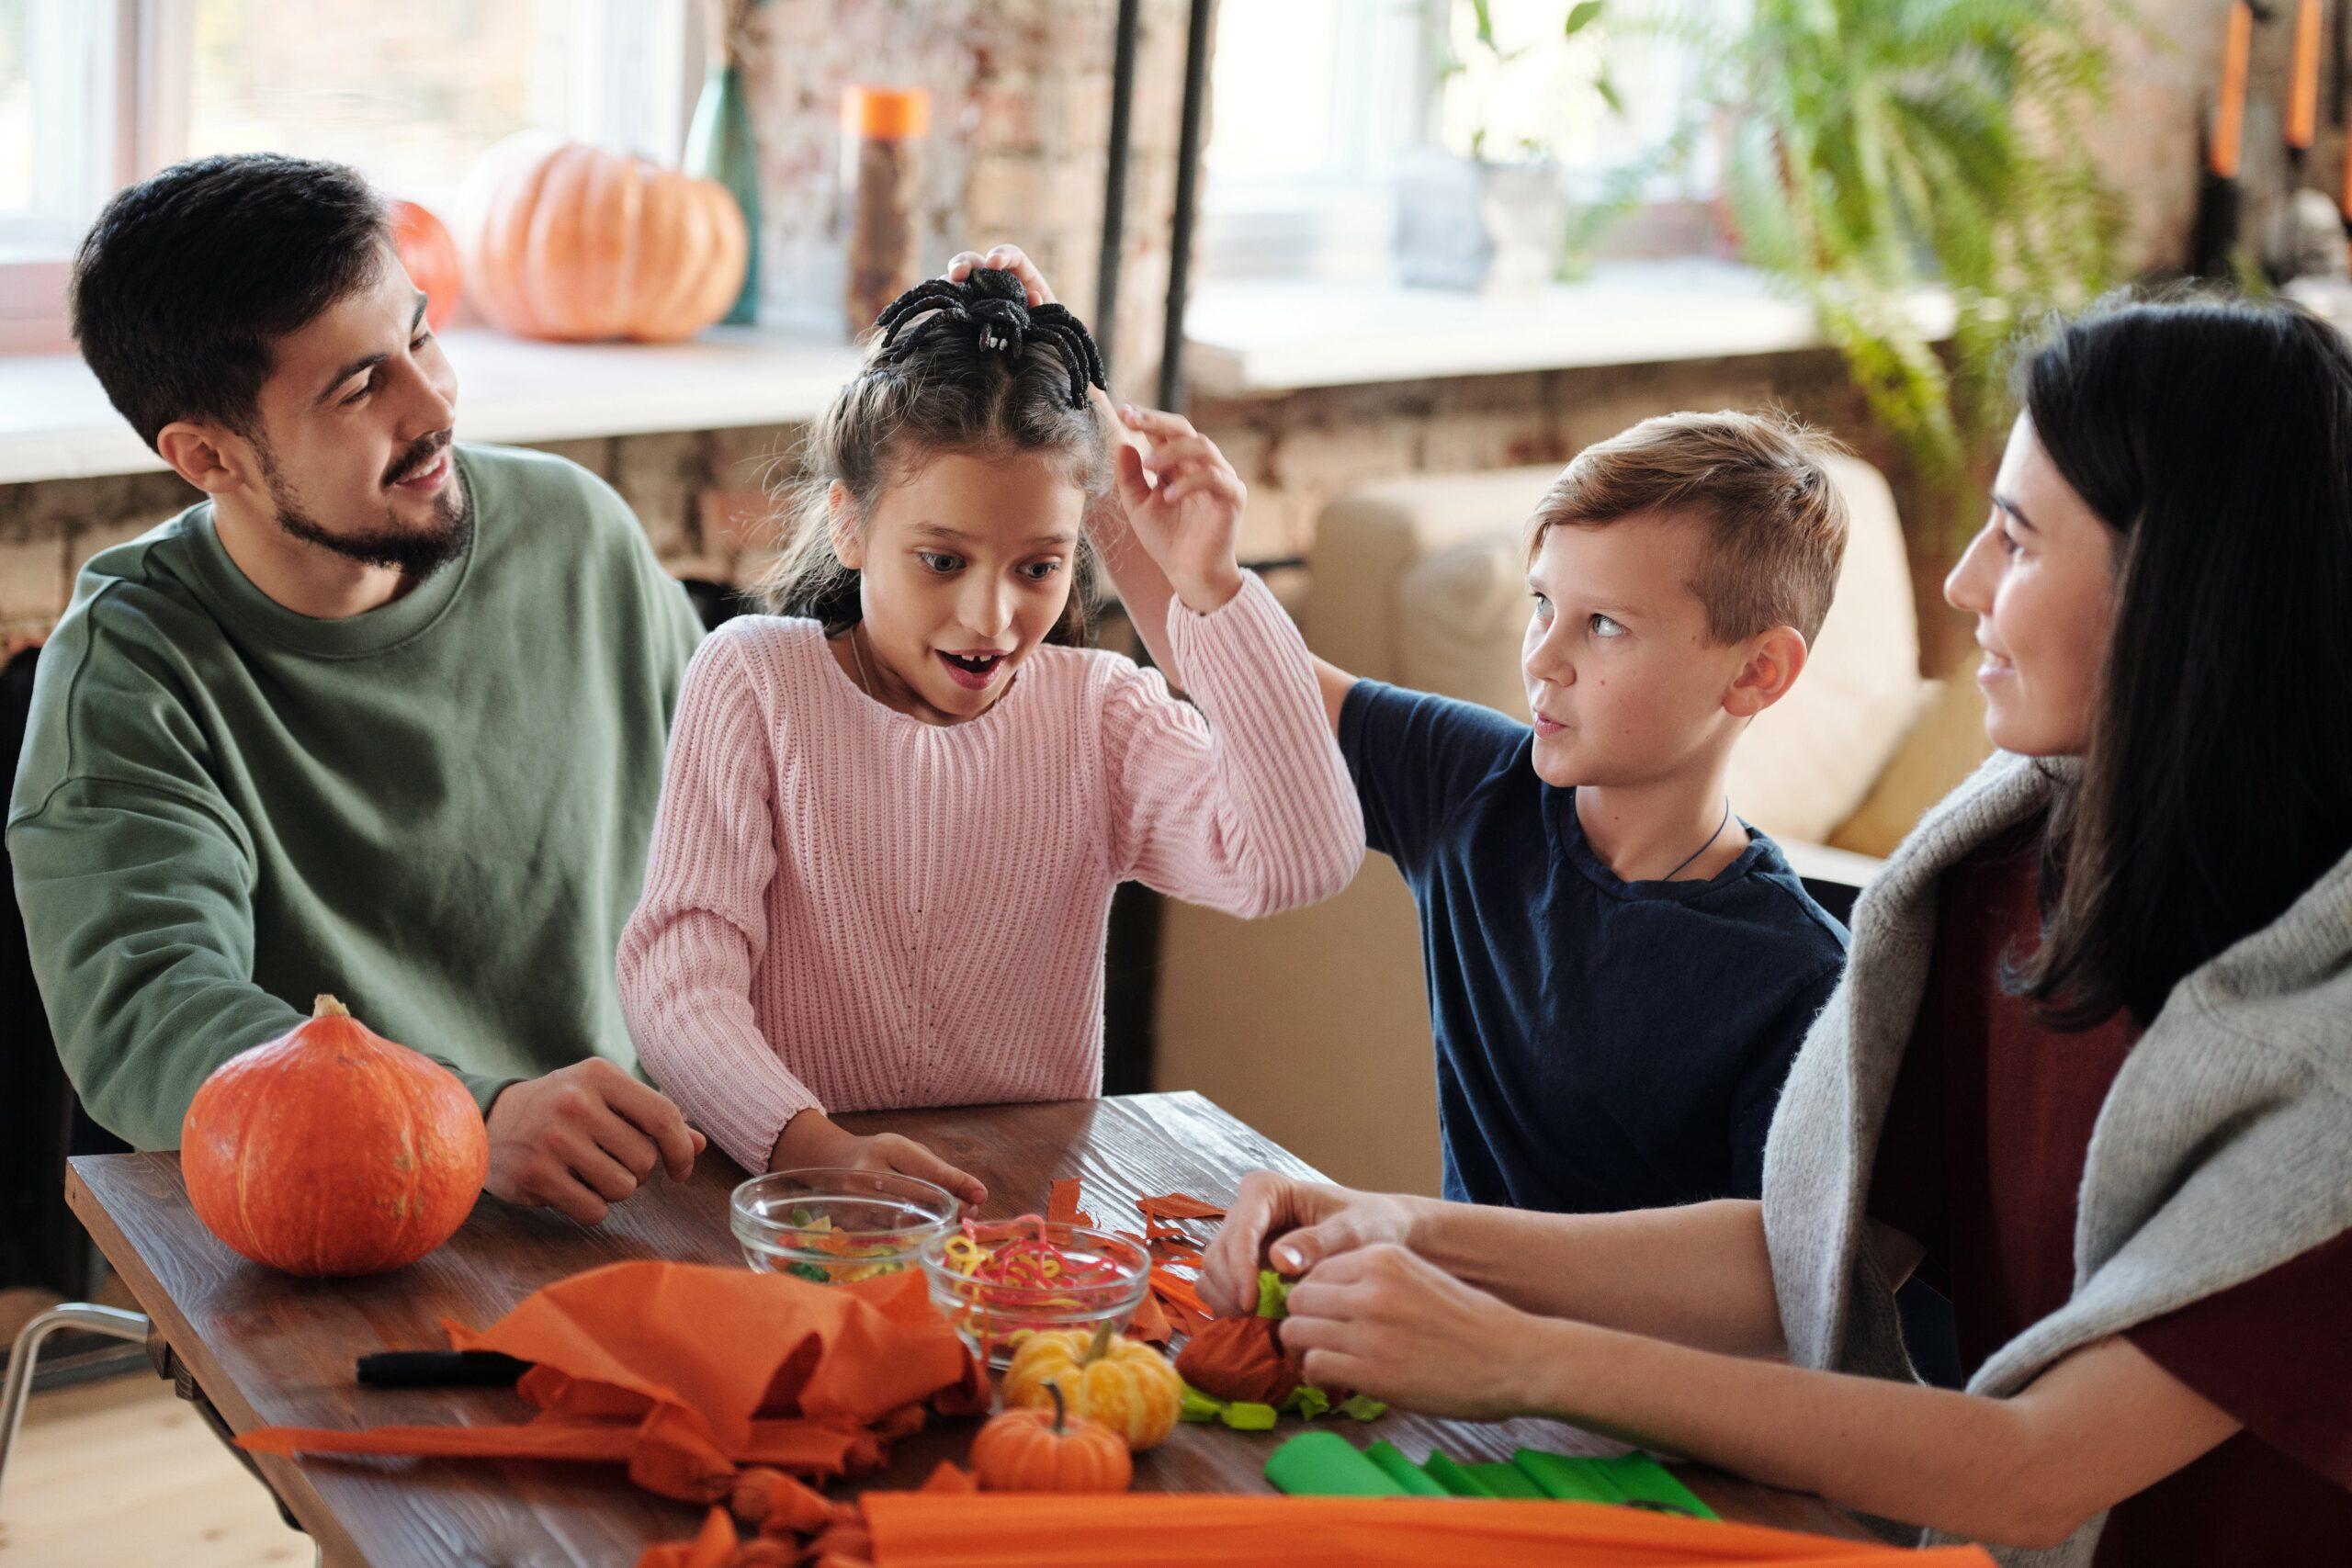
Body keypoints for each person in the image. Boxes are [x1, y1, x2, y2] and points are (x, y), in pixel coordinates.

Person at [1198, 294, 2352, 1564]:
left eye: (2016, 541)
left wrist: (1514, 1350)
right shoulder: (2009, 872)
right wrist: (1407, 1226)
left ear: (2183, 593)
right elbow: (1805, 1237)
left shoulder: (2327, 1061)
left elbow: (2035, 1471)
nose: (1964, 581)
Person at [9, 153, 710, 1225]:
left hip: (649, 1184)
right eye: (358, 386)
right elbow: (155, 1020)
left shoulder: (579, 535)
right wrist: (471, 1121)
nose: (433, 404)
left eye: (419, 335)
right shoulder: (134, 669)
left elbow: (757, 838)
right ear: (210, 457)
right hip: (347, 1227)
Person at [615, 262, 1362, 1196]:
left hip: (1019, 1223)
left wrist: (1215, 589)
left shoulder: (1098, 714)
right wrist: (808, 1147)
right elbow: (678, 974)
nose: (991, 618)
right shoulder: (756, 680)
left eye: (1038, 568)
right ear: (850, 526)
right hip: (787, 1199)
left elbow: (1298, 861)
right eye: (941, 559)